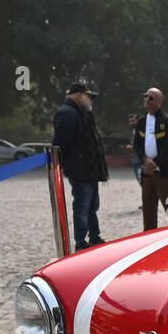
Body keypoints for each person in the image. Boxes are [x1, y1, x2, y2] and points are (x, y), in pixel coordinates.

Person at [52, 81, 107, 250]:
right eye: (88, 96)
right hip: (80, 170)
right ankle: (81, 242)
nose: (91, 100)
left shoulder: (80, 113)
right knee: (83, 207)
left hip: (89, 169)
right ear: (78, 95)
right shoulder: (68, 113)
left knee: (91, 206)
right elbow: (60, 144)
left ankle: (94, 237)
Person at [133, 87, 168, 231]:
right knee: (148, 207)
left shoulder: (167, 121)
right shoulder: (141, 122)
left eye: (151, 98)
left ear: (159, 103)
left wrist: (155, 163)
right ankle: (149, 234)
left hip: (164, 173)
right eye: (145, 96)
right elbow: (137, 144)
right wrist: (144, 160)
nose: (147, 99)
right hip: (147, 173)